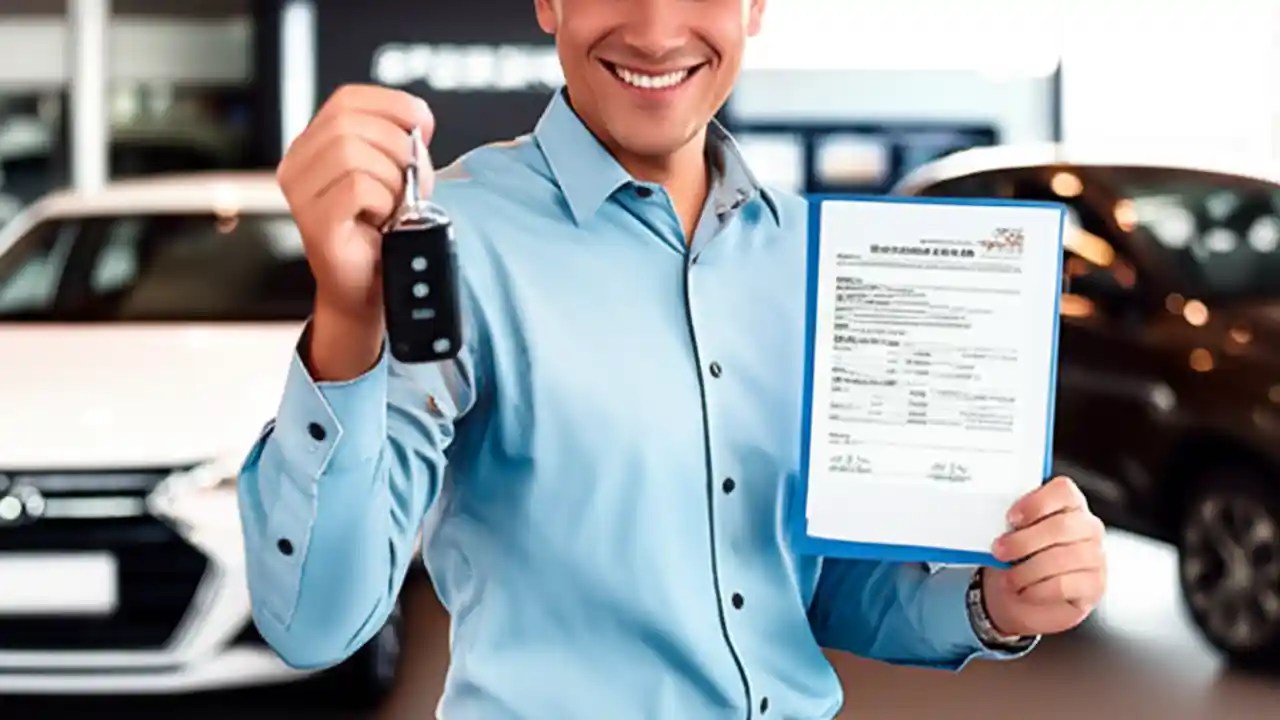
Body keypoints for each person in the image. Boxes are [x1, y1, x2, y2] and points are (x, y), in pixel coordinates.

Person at [237, 0, 1109, 717]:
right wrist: (348, 320)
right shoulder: (455, 244)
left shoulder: (809, 249)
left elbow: (819, 582)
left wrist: (995, 599)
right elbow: (315, 622)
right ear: (549, 2)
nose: (656, 31)